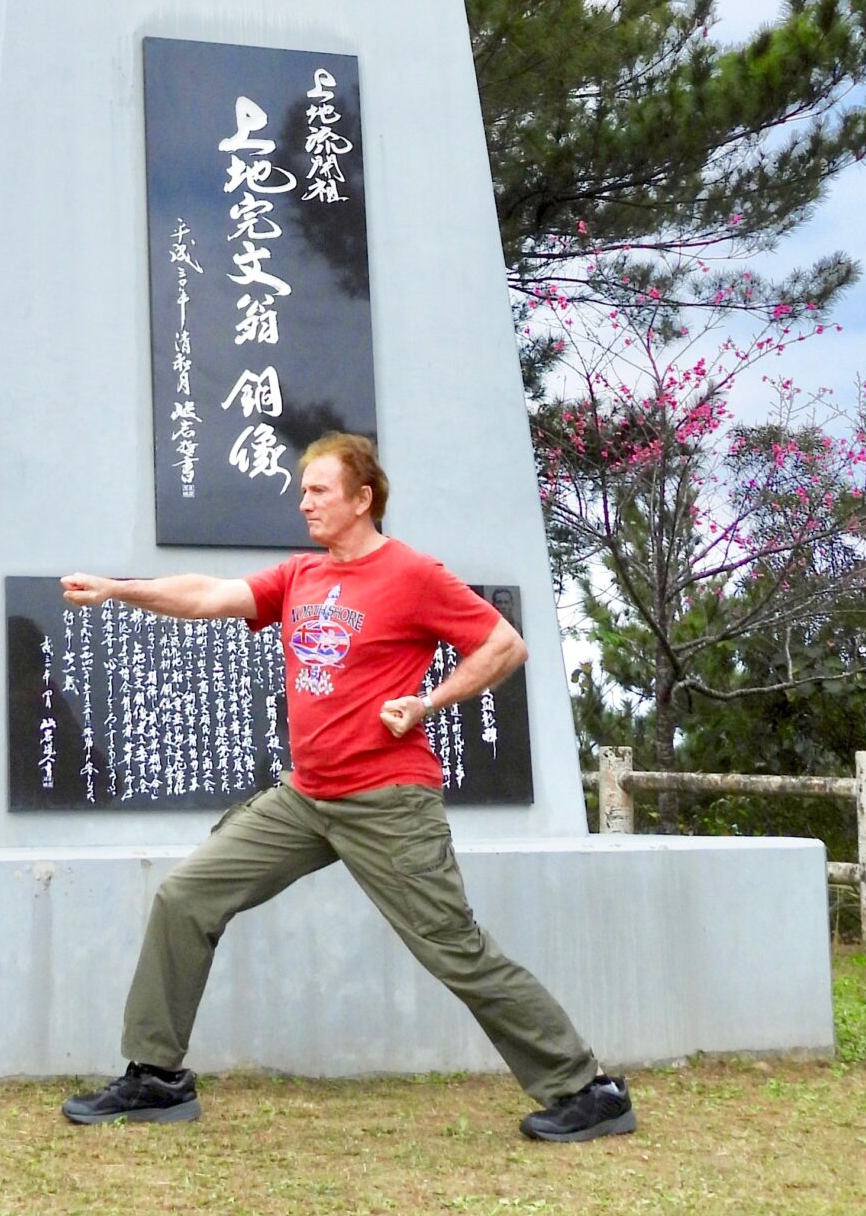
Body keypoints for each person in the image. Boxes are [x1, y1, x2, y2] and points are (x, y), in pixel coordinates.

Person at [58, 432, 637, 1143]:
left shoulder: (412, 574)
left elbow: (502, 644)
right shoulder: (302, 577)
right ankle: (154, 1077)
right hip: (306, 798)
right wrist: (120, 590)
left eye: (319, 491)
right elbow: (210, 595)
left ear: (363, 499)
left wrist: (428, 703)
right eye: (302, 491)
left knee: (450, 946)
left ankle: (586, 1088)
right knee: (185, 897)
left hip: (387, 798)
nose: (304, 503)